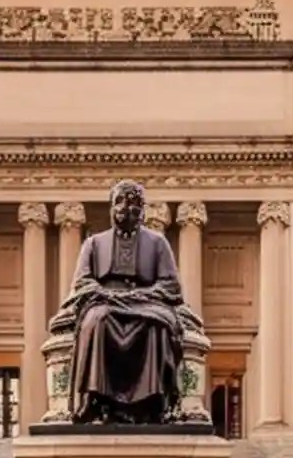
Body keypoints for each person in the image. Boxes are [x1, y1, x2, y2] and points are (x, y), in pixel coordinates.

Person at [62, 179, 184, 424]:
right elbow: (83, 282)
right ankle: (94, 399)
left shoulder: (158, 243)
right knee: (97, 319)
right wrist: (105, 293)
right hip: (105, 301)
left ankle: (153, 402)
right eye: (119, 201)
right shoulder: (94, 243)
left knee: (156, 323)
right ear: (111, 207)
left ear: (142, 211)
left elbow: (170, 284)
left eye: (133, 203)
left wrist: (141, 295)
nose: (125, 208)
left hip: (146, 302)